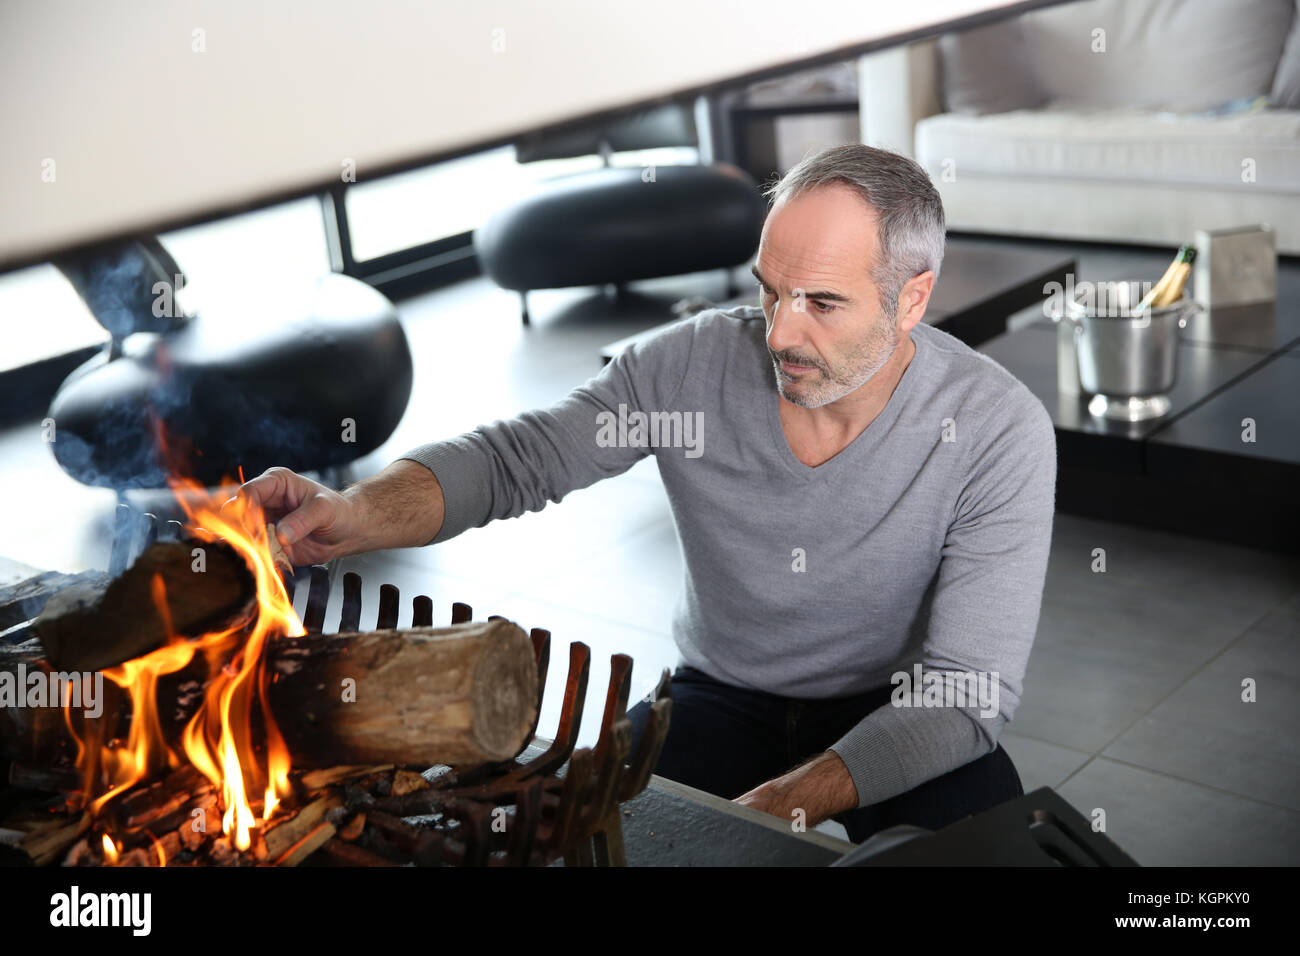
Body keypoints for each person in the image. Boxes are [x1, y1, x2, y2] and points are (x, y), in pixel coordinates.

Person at [235, 143, 1057, 843]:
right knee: (588, 841)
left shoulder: (995, 429)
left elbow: (961, 695)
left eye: (823, 303)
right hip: (724, 696)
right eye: (770, 289)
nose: (778, 333)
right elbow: (523, 457)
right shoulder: (688, 364)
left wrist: (780, 806)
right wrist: (354, 514)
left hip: (901, 702)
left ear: (912, 299)